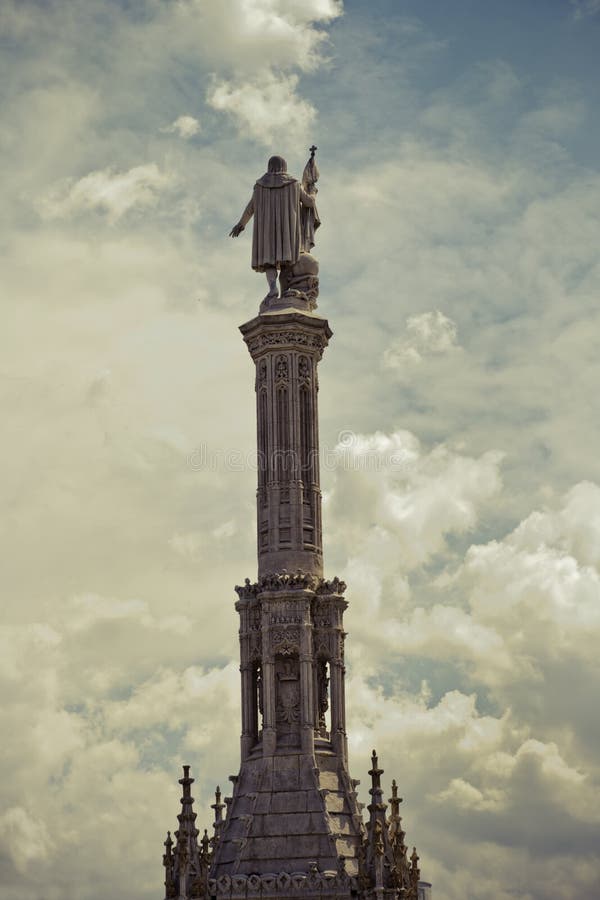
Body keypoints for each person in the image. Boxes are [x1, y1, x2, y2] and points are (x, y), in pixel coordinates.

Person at [229, 155, 320, 301]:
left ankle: (273, 288)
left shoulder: (260, 185)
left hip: (267, 232)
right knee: (286, 262)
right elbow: (309, 203)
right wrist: (313, 191)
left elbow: (250, 208)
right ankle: (285, 291)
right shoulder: (294, 183)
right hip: (287, 230)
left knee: (269, 261)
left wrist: (241, 224)